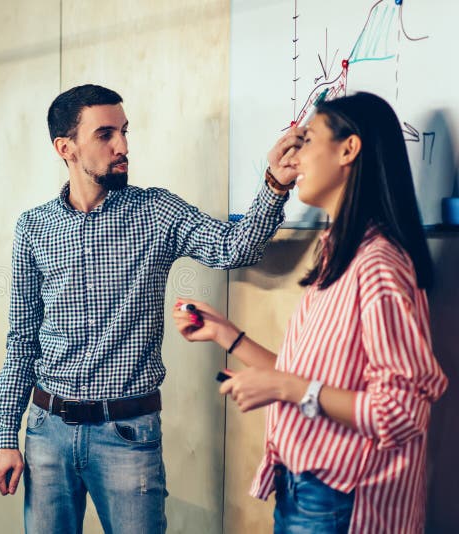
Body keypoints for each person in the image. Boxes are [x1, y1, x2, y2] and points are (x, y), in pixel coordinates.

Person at [0, 84, 299, 532]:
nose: (123, 146)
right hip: (45, 432)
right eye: (105, 135)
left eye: (124, 132)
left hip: (127, 435)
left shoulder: (155, 211)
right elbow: (22, 338)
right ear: (65, 148)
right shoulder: (34, 227)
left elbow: (234, 247)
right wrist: (6, 437)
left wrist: (275, 185)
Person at [173, 92, 447, 533]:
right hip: (304, 489)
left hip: (342, 502)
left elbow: (400, 410)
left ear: (348, 149)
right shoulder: (339, 254)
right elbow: (307, 381)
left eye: (308, 140)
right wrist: (226, 335)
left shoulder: (378, 265)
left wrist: (287, 386)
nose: (295, 156)